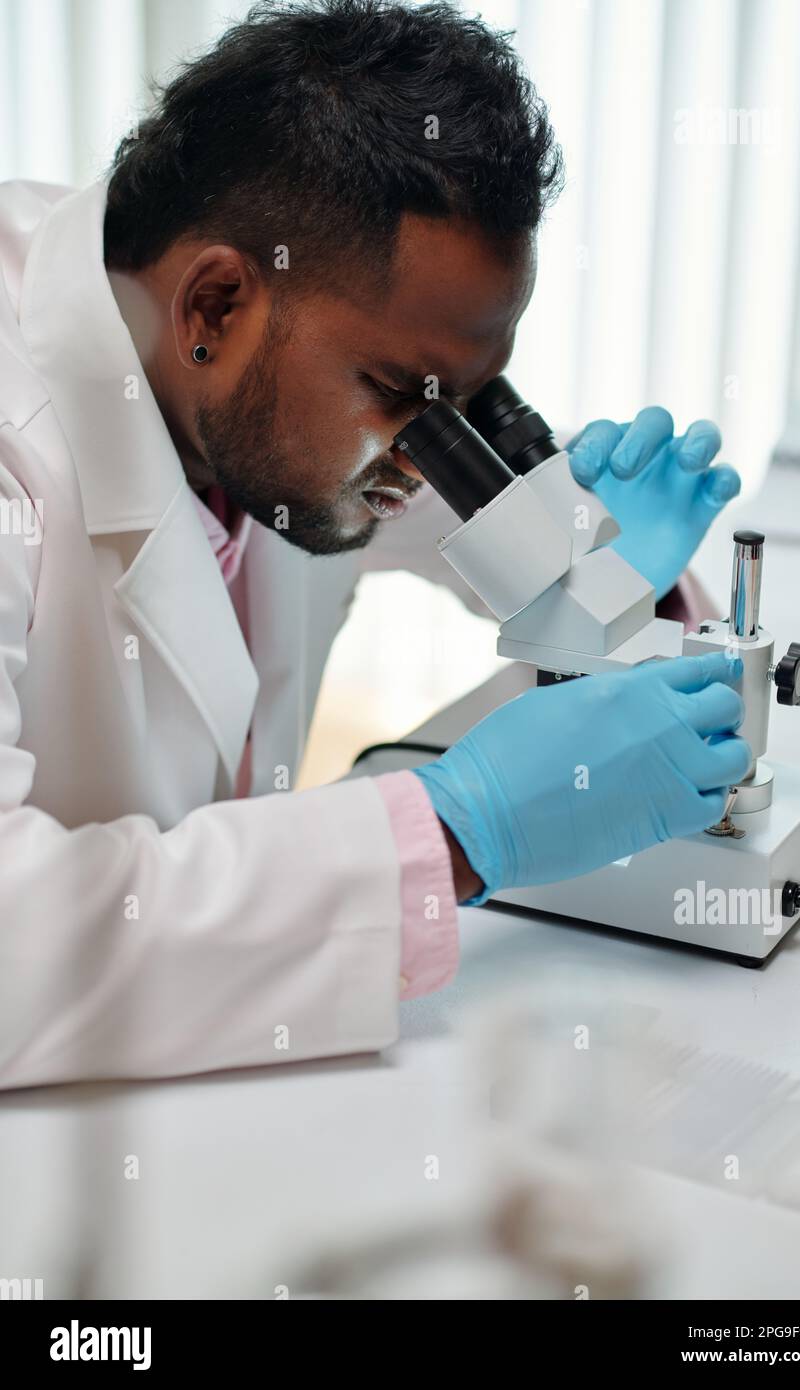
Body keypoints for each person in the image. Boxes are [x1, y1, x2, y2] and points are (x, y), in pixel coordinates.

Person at [0, 0, 748, 1089]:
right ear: (215, 302)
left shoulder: (259, 361)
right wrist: (451, 832)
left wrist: (618, 580)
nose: (432, 452)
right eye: (406, 395)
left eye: (469, 404)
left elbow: (505, 546)